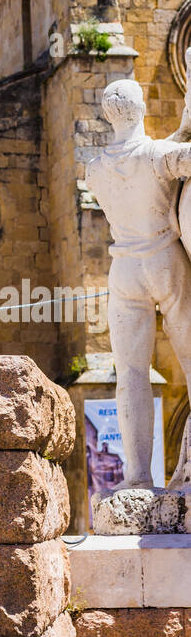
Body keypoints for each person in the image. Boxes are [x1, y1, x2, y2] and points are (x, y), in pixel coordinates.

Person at [86, 77, 191, 488]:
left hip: (123, 269)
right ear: (143, 108)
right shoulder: (160, 156)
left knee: (130, 373)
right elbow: (175, 158)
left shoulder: (95, 170)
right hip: (164, 260)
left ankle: (138, 476)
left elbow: (137, 159)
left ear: (108, 115)